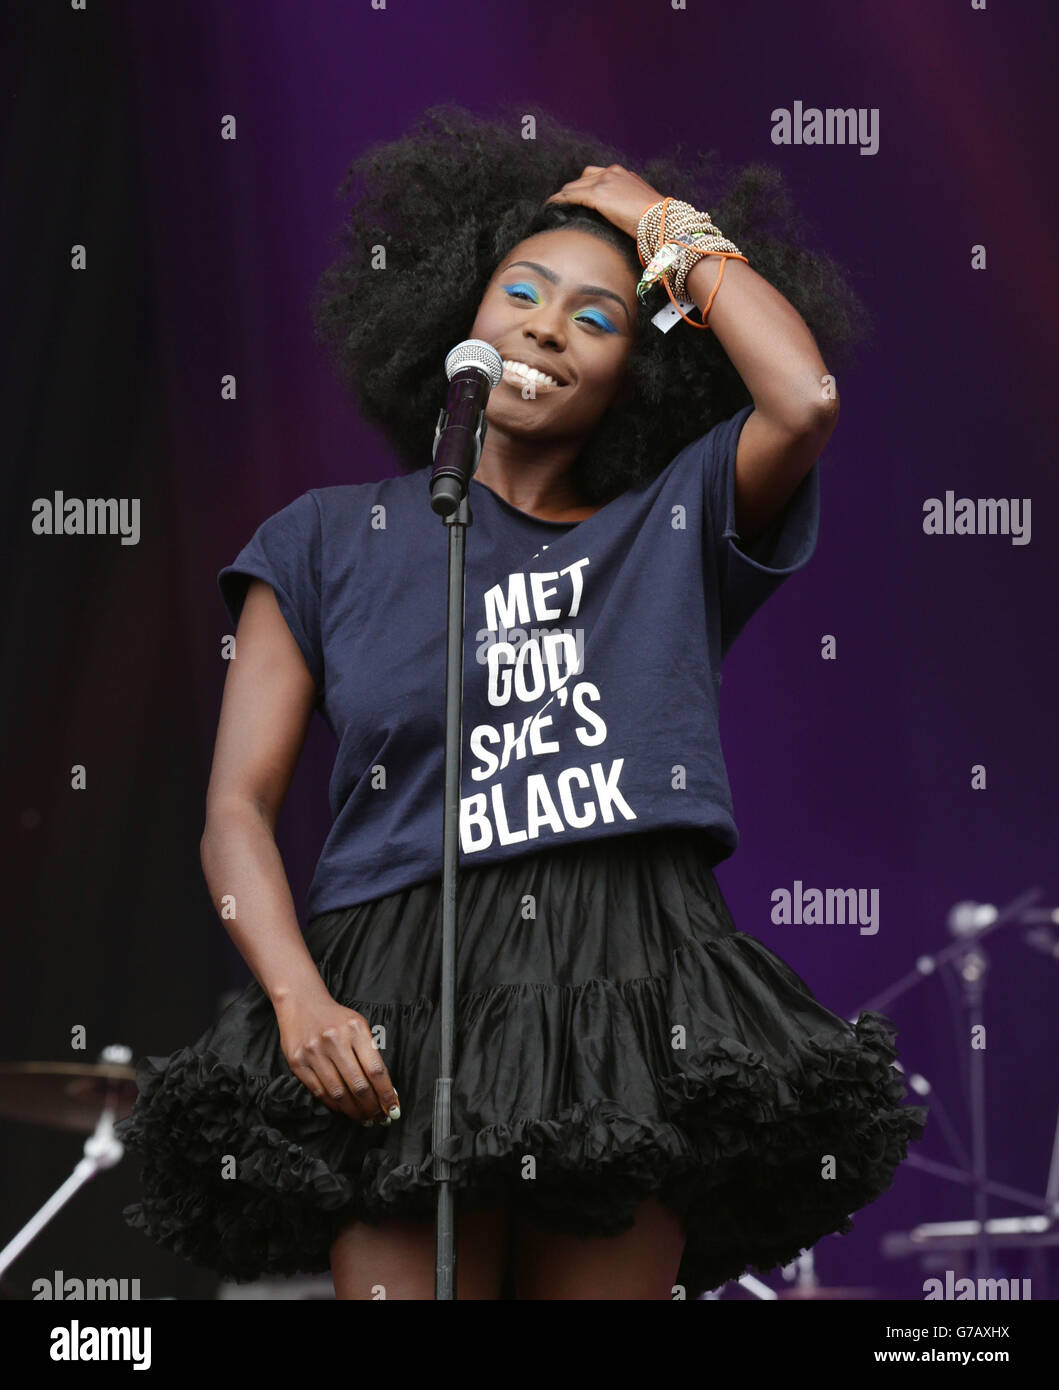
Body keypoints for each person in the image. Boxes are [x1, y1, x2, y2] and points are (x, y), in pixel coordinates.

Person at [116, 104, 927, 1301]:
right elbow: (236, 806)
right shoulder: (325, 540)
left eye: (595, 318)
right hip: (397, 984)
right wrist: (297, 995)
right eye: (522, 294)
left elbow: (801, 398)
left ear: (635, 374)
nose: (547, 326)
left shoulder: (669, 526)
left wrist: (660, 225)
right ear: (461, 317)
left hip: (626, 978)